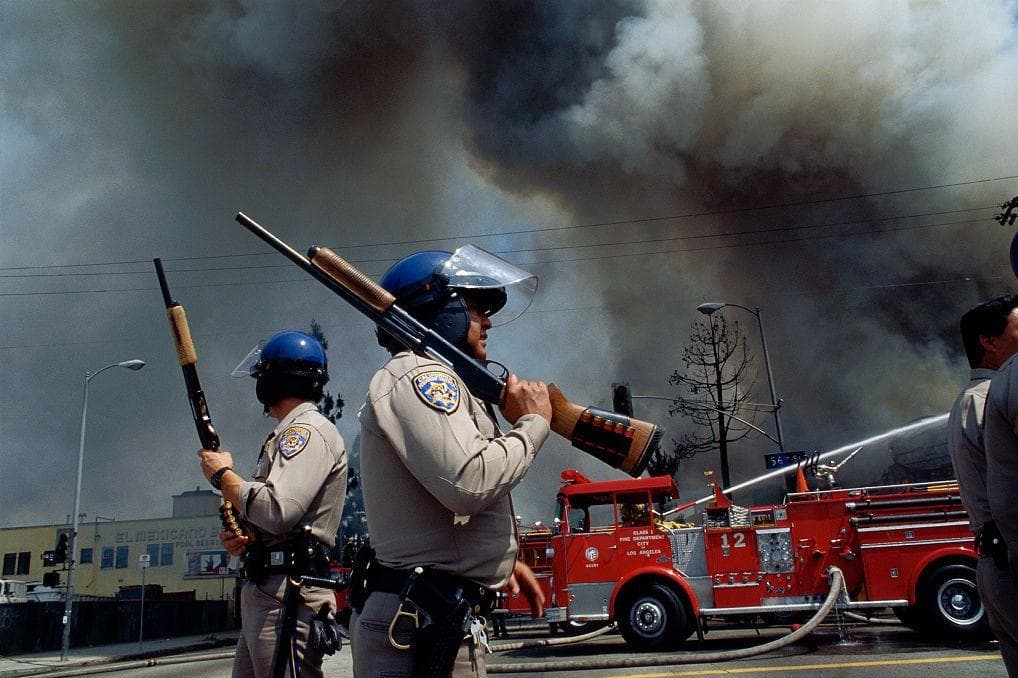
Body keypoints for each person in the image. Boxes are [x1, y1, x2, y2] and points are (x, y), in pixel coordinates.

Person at [351, 246, 550, 677]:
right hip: (423, 620)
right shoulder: (421, 375)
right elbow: (468, 482)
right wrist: (534, 423)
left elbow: (438, 508)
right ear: (442, 311)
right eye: (476, 307)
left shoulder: (441, 380)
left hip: (434, 612)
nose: (488, 321)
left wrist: (496, 560)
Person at [197, 330, 348, 678]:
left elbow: (279, 511)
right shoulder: (288, 432)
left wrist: (224, 476)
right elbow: (273, 520)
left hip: (287, 593)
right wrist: (246, 536)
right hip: (272, 589)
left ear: (276, 380)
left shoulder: (306, 432)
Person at [950, 295, 1018, 676]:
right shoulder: (991, 397)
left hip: (999, 559)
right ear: (988, 342)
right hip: (1008, 557)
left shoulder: (973, 398)